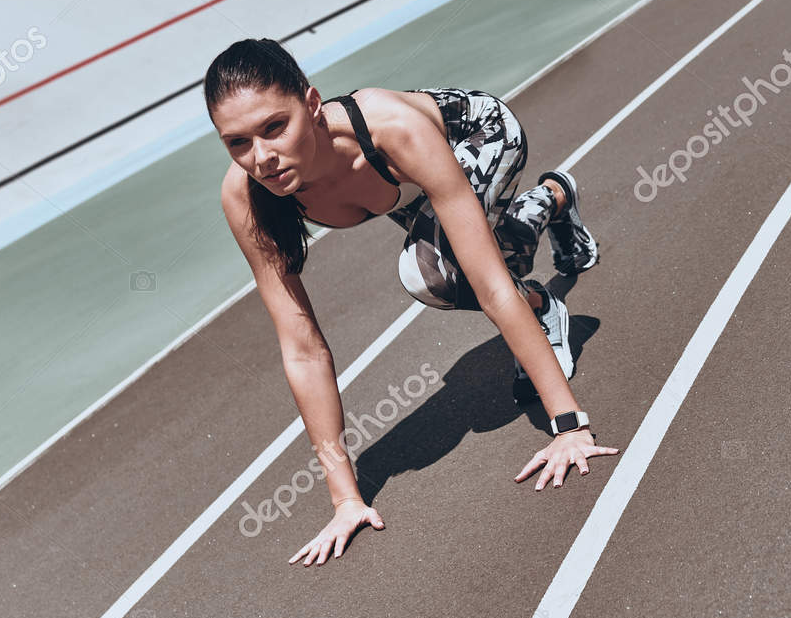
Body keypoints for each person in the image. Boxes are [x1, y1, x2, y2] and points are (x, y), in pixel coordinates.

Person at [204, 38, 616, 567]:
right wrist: (345, 499)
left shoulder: (392, 128)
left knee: (435, 276)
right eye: (237, 143)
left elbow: (490, 286)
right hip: (407, 193)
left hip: (480, 136)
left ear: (310, 104)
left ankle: (547, 233)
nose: (261, 157)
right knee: (455, 258)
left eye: (274, 127)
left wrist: (569, 426)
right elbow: (302, 348)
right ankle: (550, 225)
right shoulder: (245, 197)